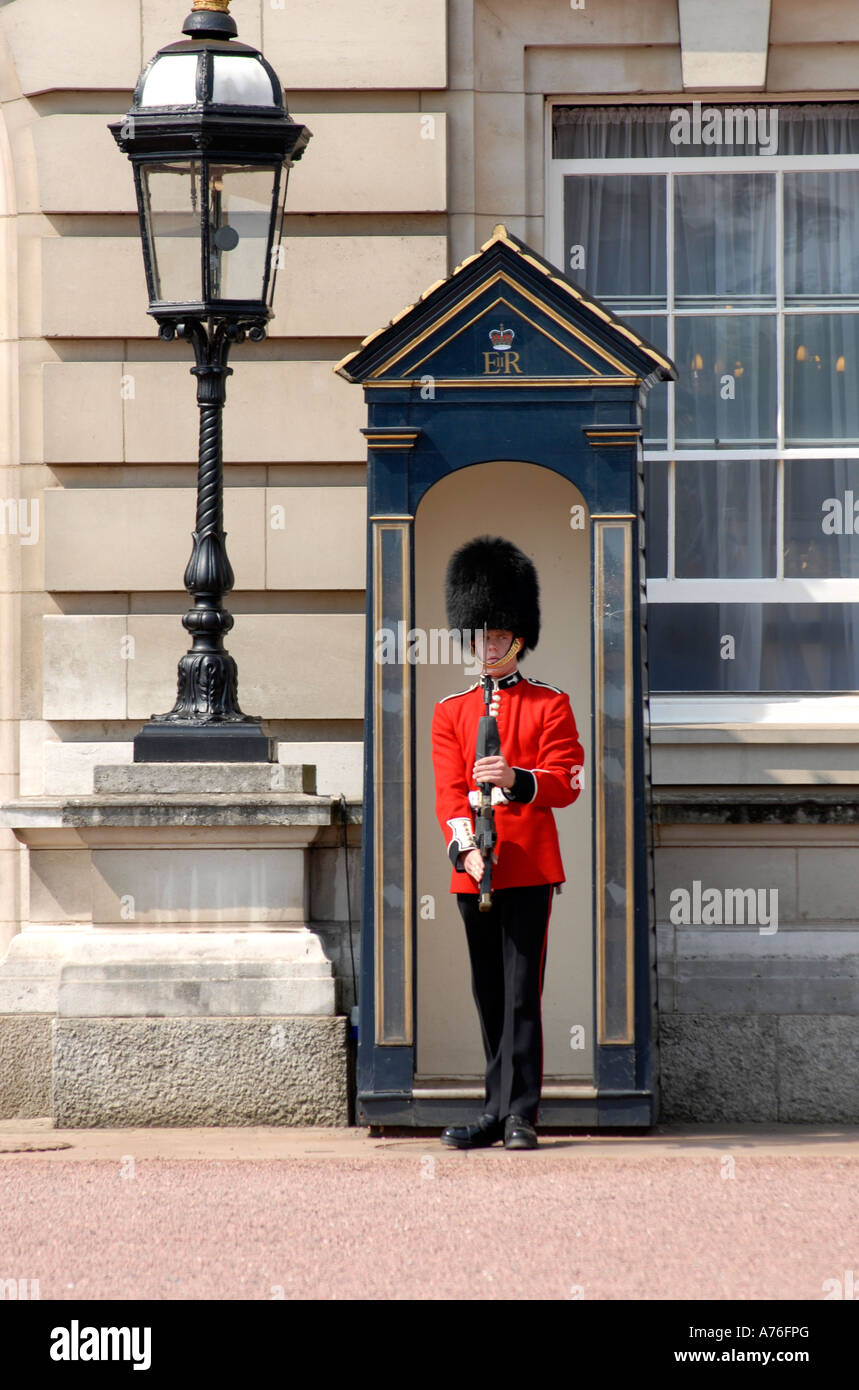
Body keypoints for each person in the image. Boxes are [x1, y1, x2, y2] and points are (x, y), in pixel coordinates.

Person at [431, 535, 585, 1150]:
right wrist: (467, 847)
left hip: (528, 867)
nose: (487, 647)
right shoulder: (451, 712)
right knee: (488, 994)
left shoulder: (551, 704)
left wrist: (516, 780)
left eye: (497, 638)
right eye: (481, 637)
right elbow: (447, 795)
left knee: (523, 995)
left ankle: (522, 1113)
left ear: (518, 638)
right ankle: (493, 1110)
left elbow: (566, 782)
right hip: (476, 868)